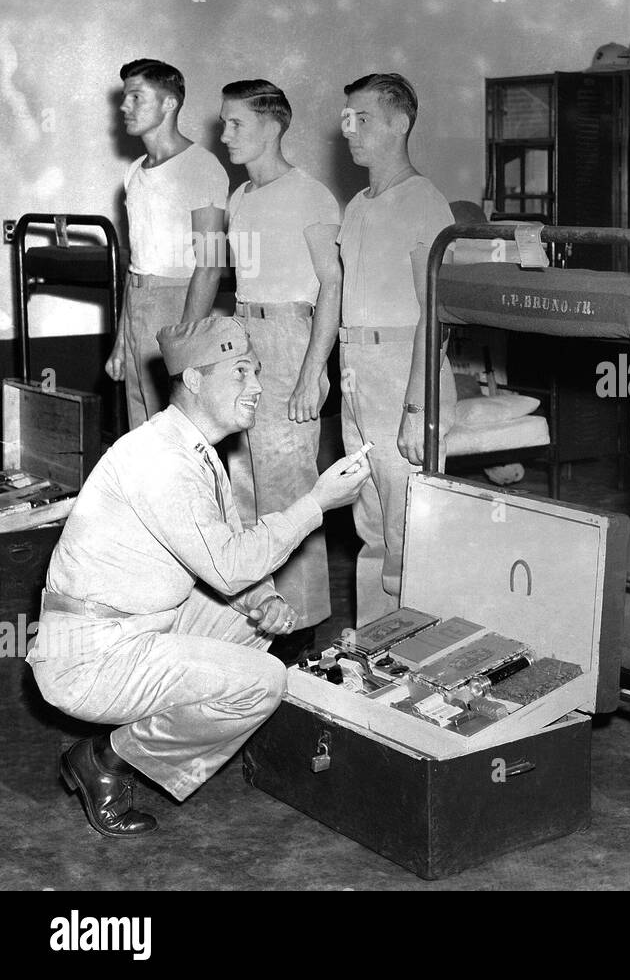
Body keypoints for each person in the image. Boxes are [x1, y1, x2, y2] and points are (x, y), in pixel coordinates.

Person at [28, 317, 370, 838]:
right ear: (193, 380)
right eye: (240, 373)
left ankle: (137, 737)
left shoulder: (198, 452)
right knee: (265, 681)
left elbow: (228, 555)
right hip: (89, 658)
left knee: (260, 625)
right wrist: (317, 503)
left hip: (134, 626)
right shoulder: (162, 461)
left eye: (255, 372)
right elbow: (228, 568)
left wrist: (264, 599)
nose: (256, 386)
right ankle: (106, 759)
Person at [182, 80, 342, 660]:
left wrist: (310, 372)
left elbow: (333, 286)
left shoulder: (313, 195)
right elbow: (228, 277)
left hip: (291, 337)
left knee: (290, 494)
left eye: (235, 124)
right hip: (245, 337)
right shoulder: (242, 195)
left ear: (273, 127)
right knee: (242, 489)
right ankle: (257, 617)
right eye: (223, 124)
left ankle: (300, 635)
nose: (224, 135)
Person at [336, 72, 456, 625]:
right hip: (357, 370)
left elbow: (437, 316)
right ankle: (373, 647)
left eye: (363, 119)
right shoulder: (358, 205)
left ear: (400, 123)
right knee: (370, 519)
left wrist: (416, 408)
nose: (349, 130)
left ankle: (419, 646)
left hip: (404, 372)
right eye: (347, 118)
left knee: (409, 524)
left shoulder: (424, 202)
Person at [107, 59, 229, 429]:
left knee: (174, 431)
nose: (124, 107)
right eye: (124, 98)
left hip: (178, 305)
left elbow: (209, 265)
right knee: (140, 430)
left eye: (136, 97)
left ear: (168, 104)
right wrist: (120, 341)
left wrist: (187, 343)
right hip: (137, 306)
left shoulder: (202, 167)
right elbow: (136, 266)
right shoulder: (133, 172)